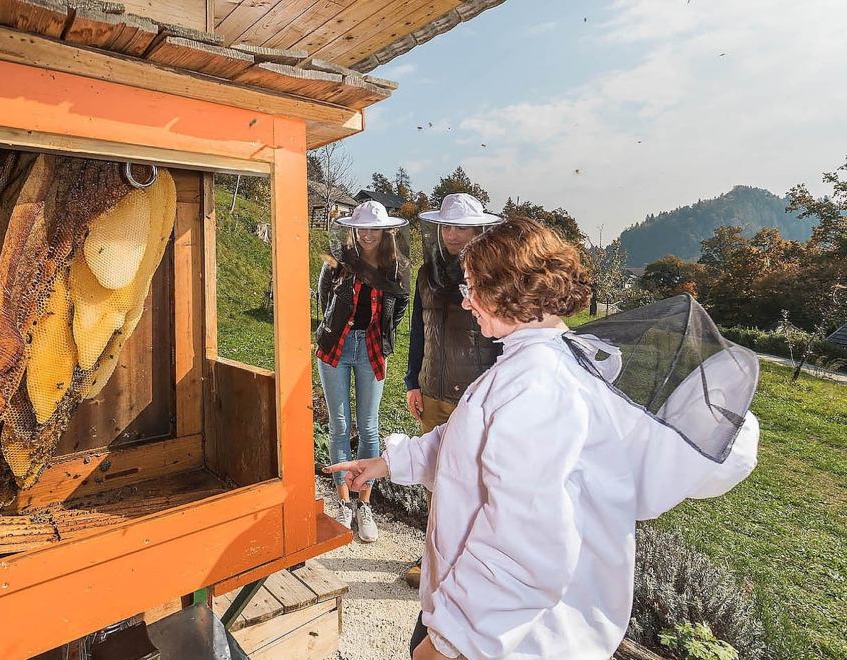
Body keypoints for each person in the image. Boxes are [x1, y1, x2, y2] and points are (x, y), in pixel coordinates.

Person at [325, 217, 760, 659]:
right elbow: (469, 441)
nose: (466, 300)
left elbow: (525, 545)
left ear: (508, 288)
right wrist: (390, 463)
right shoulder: (538, 361)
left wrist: (451, 643)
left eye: (472, 286)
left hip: (507, 635)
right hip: (478, 610)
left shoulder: (538, 387)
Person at [403, 192, 503, 587]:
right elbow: (418, 330)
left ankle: (471, 565)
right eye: (446, 225)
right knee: (435, 479)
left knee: (475, 483)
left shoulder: (492, 275)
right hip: (432, 391)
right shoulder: (427, 273)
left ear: (478, 230)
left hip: (474, 397)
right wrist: (413, 380)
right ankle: (432, 557)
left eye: (461, 226)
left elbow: (501, 337)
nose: (452, 234)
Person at [316, 200, 411, 542]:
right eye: (362, 228)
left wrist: (382, 336)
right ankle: (343, 501)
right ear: (353, 229)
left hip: (371, 349)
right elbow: (323, 299)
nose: (368, 235)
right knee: (340, 425)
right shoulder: (339, 261)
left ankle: (364, 504)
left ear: (385, 232)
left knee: (369, 428)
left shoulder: (397, 267)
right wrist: (331, 329)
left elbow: (399, 305)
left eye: (375, 228)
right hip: (336, 348)